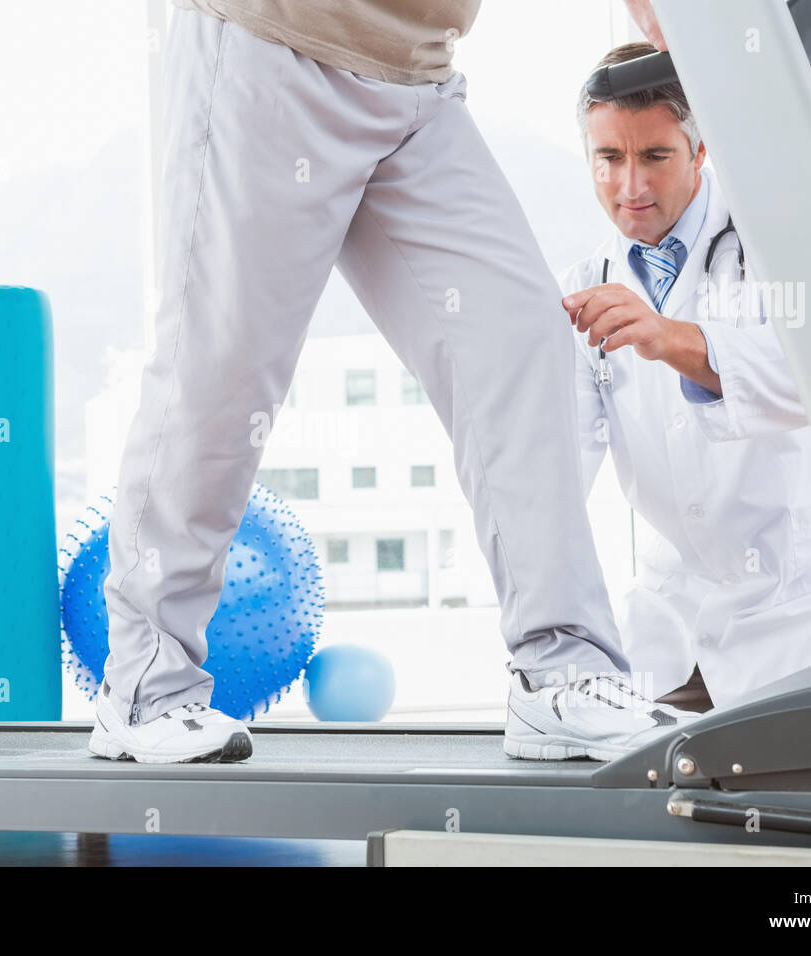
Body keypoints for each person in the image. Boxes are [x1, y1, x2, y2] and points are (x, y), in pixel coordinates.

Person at [89, 0, 700, 766]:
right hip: (274, 43)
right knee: (222, 370)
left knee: (519, 335)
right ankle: (147, 686)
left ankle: (560, 672)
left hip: (419, 76)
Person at [559, 42, 811, 714]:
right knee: (645, 800)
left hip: (809, 611)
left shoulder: (777, 245)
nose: (632, 188)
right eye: (610, 159)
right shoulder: (586, 283)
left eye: (655, 156)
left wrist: (672, 339)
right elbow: (560, 463)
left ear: (700, 150)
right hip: (671, 625)